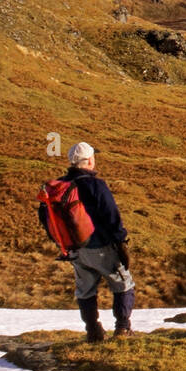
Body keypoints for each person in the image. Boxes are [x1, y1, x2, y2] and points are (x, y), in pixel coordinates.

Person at [43, 142, 135, 341]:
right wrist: (120, 242)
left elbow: (45, 215)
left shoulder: (59, 186)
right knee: (123, 285)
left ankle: (93, 330)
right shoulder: (96, 185)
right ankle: (122, 328)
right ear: (90, 161)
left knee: (85, 291)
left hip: (75, 249)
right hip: (101, 247)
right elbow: (112, 215)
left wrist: (62, 243)